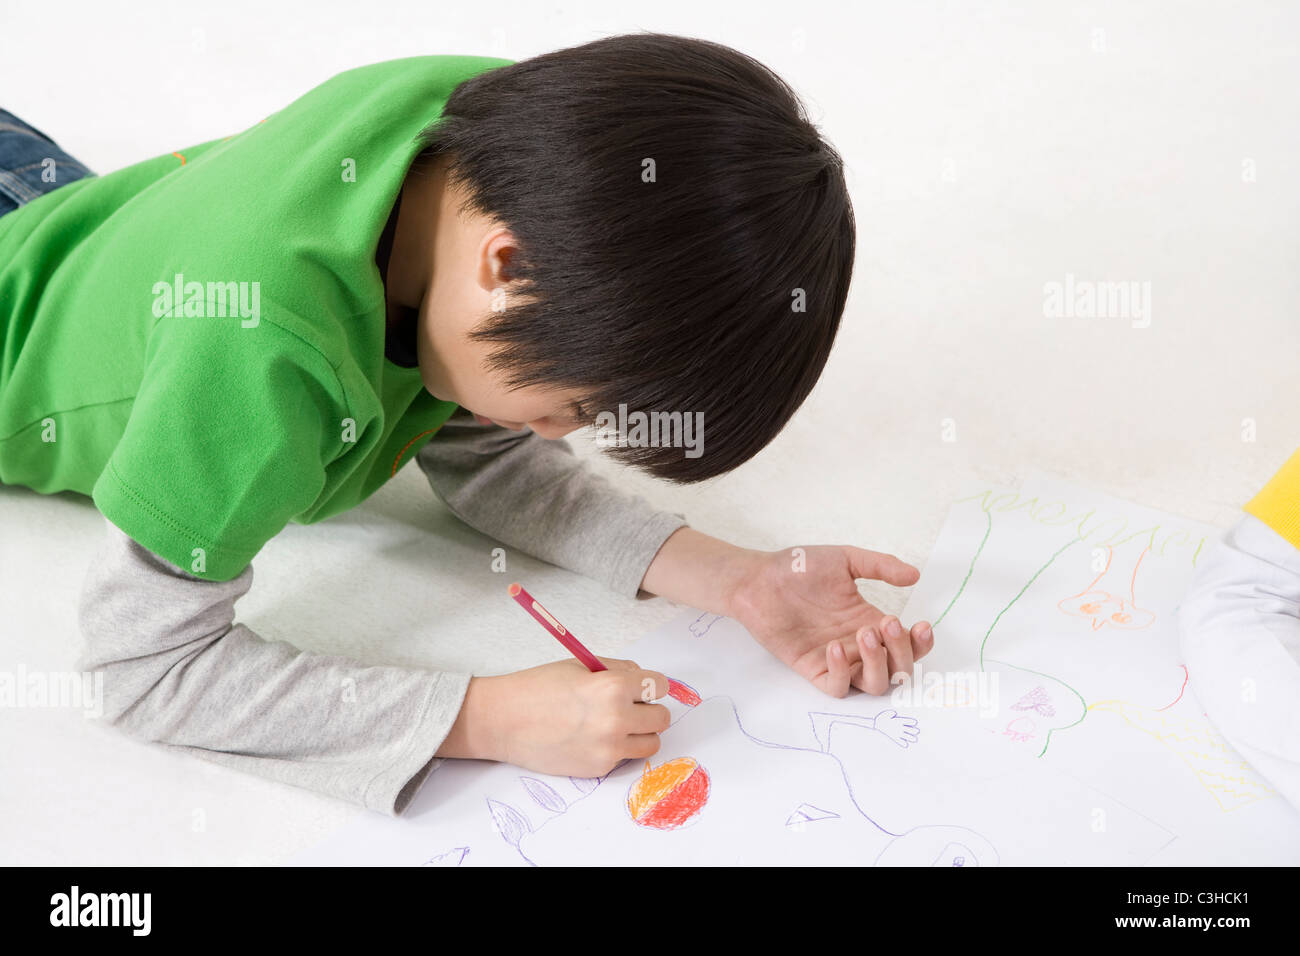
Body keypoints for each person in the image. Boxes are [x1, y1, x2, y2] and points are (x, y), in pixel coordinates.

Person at [0, 34, 933, 815]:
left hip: (60, 215)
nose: (560, 437)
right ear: (509, 265)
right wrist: (482, 717)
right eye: (575, 406)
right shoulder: (260, 358)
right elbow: (140, 670)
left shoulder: (501, 137)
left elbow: (478, 442)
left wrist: (742, 580)